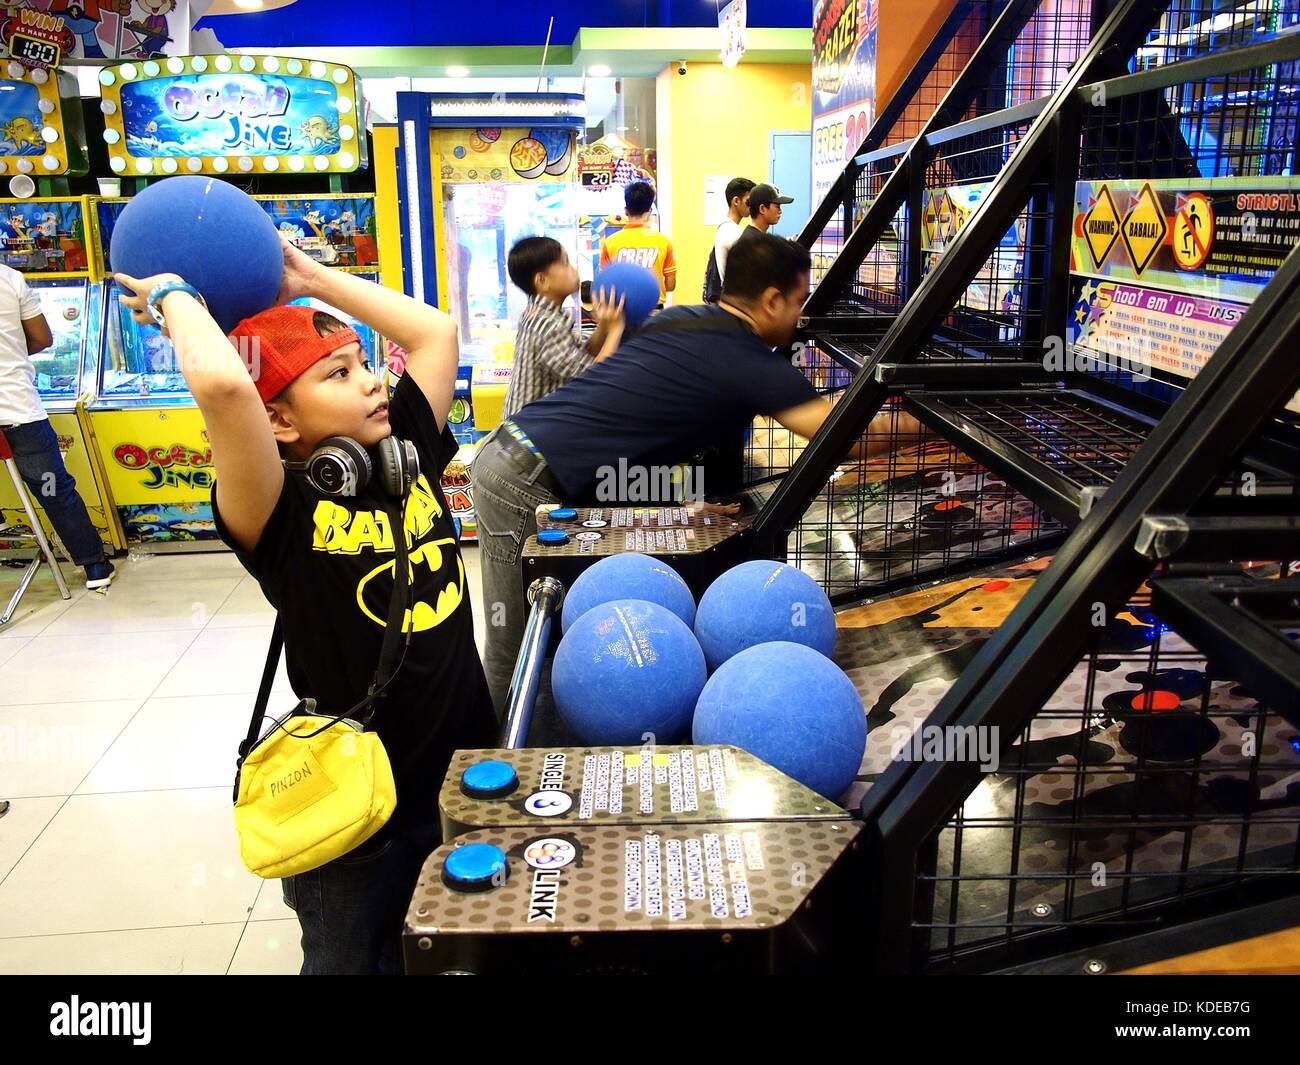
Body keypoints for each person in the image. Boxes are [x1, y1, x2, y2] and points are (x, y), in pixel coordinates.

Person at [115, 239, 495, 976]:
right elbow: (227, 390)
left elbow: (436, 333)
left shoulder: (403, 446)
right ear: (281, 422)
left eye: (363, 363)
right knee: (354, 961)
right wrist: (175, 293)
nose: (373, 382)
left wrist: (313, 279)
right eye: (338, 374)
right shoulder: (278, 509)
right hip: (355, 819)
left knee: (462, 948)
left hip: (465, 772)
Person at [473, 230, 918, 712]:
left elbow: (644, 418)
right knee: (518, 638)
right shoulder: (744, 359)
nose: (801, 314)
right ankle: (498, 756)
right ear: (771, 300)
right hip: (521, 475)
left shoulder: (684, 318)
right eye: (798, 300)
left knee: (537, 633)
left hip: (531, 458)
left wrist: (682, 499)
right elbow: (845, 433)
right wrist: (934, 423)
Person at [0, 263, 115, 589]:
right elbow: (41, 338)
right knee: (53, 488)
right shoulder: (8, 278)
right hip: (18, 412)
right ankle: (94, 566)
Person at [504, 236, 625, 417]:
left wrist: (604, 327)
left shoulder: (541, 313)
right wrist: (616, 329)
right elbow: (593, 378)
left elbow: (581, 358)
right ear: (542, 281)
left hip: (527, 425)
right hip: (530, 436)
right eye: (565, 264)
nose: (574, 270)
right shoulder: (547, 325)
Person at [599, 181, 676, 306]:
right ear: (650, 211)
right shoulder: (664, 242)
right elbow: (671, 285)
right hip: (654, 312)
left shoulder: (610, 243)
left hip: (622, 311)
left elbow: (604, 283)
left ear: (626, 211)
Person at [703, 176, 756, 303]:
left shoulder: (725, 228)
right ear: (736, 201)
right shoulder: (732, 232)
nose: (752, 205)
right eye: (749, 201)